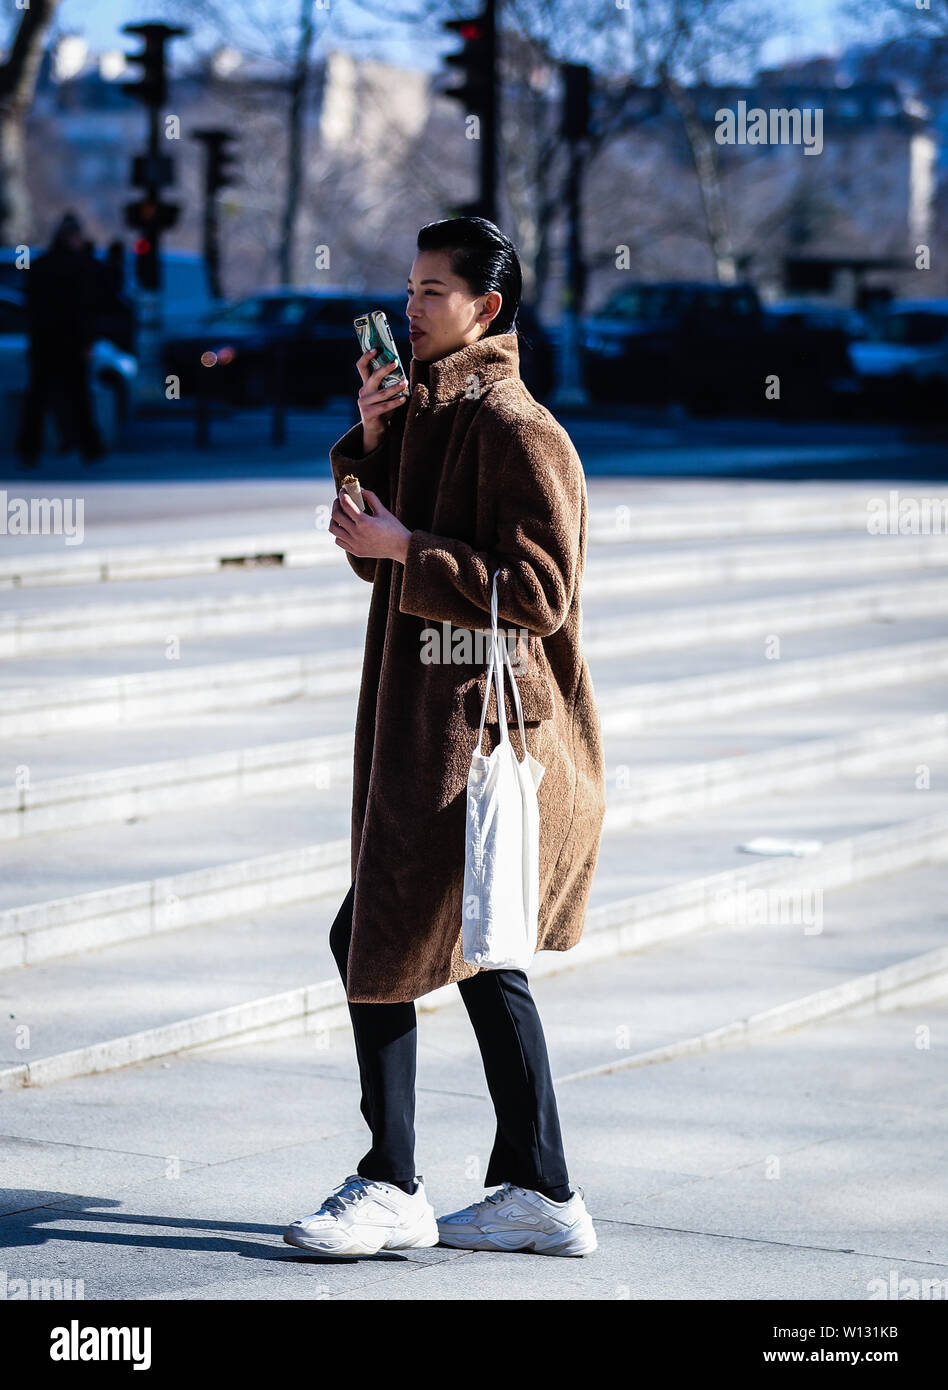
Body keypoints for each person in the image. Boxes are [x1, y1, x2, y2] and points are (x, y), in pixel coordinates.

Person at [283, 217, 607, 1259]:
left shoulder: (519, 428)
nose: (411, 307)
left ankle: (394, 1181)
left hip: (479, 732)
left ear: (487, 309)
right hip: (425, 724)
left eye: (433, 290)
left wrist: (408, 544)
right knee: (466, 946)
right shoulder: (425, 417)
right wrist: (373, 445)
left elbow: (542, 594)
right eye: (409, 287)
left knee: (402, 936)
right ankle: (539, 1188)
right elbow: (374, 556)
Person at [15, 211, 106, 469]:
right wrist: (87, 341)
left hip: (45, 343)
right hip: (71, 343)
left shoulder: (40, 266)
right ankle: (90, 447)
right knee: (79, 399)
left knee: (37, 399)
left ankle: (29, 449)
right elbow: (86, 308)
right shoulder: (80, 267)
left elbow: (30, 307)